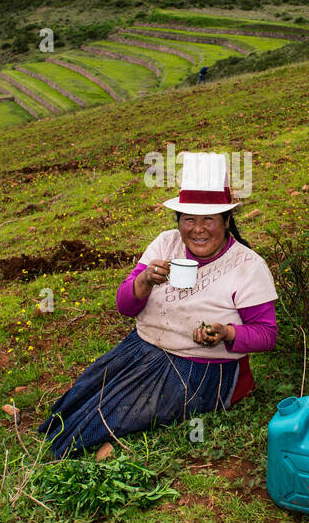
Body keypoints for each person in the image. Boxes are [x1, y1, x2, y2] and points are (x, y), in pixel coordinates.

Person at [39, 152, 278, 457]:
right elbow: (125, 306)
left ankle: (108, 439)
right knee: (83, 397)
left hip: (200, 368)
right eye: (188, 219)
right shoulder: (166, 243)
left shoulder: (247, 266)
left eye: (209, 219)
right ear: (178, 221)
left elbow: (267, 335)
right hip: (141, 349)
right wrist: (145, 280)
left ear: (227, 220)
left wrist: (227, 333)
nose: (198, 229)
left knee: (121, 413)